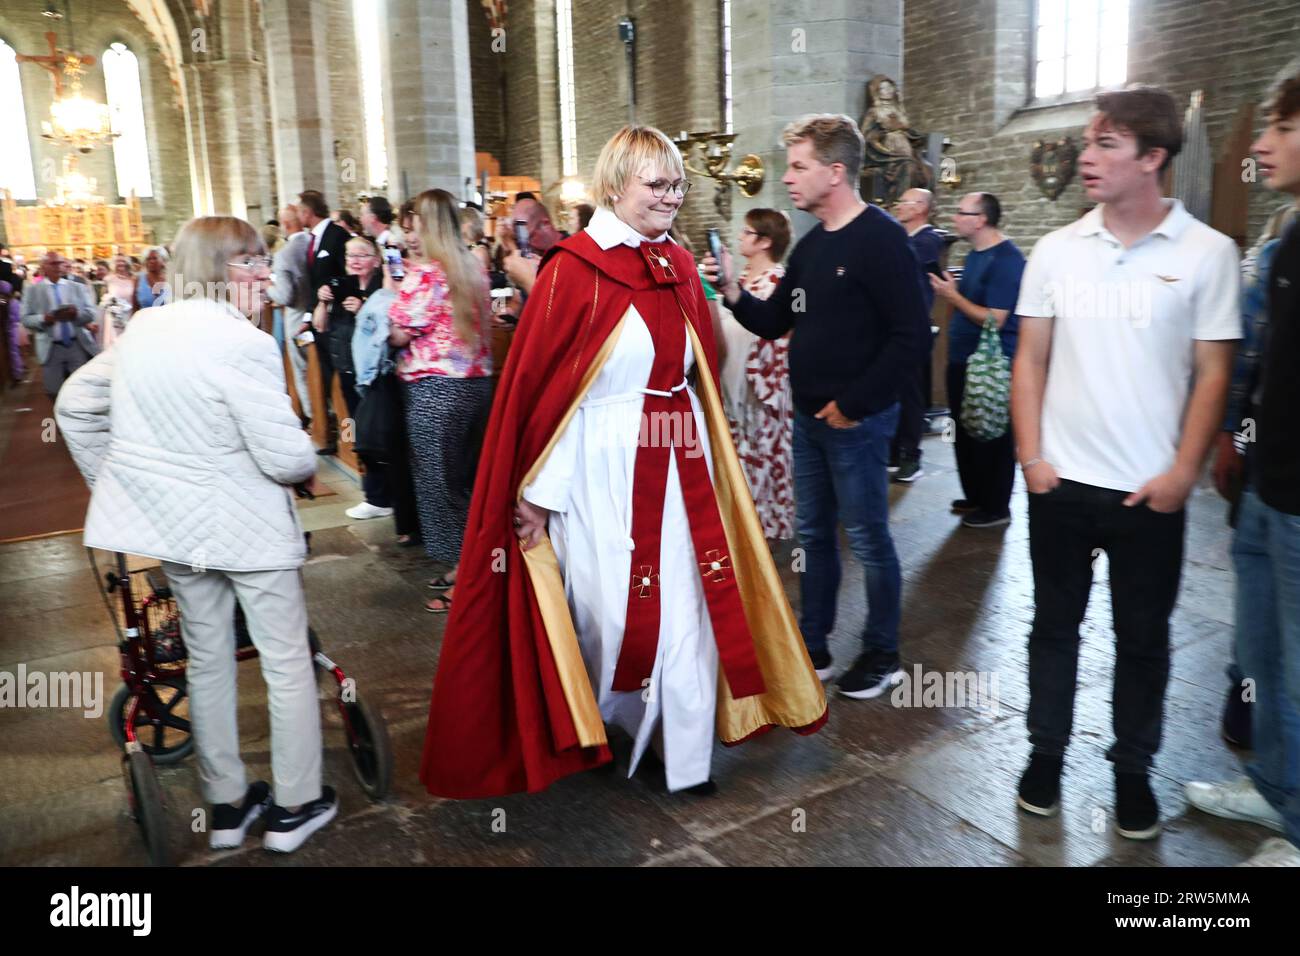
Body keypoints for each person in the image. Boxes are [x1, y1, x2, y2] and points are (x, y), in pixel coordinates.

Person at [419, 126, 826, 799]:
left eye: (676, 184)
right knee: (605, 613)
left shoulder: (677, 265)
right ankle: (606, 720)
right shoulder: (573, 272)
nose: (670, 196)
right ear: (614, 187)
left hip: (679, 462)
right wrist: (540, 493)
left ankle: (685, 754)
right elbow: (550, 398)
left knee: (685, 610)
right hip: (596, 469)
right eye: (655, 183)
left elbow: (702, 370)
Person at [55, 216, 335, 853]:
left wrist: (121, 482)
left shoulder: (146, 328)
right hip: (248, 529)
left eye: (265, 261)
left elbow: (74, 406)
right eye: (251, 263)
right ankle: (295, 807)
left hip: (179, 531)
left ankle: (228, 806)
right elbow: (287, 461)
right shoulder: (241, 342)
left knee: (207, 660)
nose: (267, 276)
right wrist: (303, 454)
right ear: (216, 270)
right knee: (287, 663)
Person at [1010, 86, 1240, 841]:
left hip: (1150, 492)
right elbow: (1031, 358)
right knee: (1054, 627)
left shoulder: (1209, 255)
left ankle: (1133, 769)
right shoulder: (1056, 249)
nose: (1087, 155)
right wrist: (1032, 457)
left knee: (1143, 638)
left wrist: (1183, 473)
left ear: (1153, 159)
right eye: (1089, 140)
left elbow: (1214, 373)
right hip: (1062, 484)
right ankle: (1044, 755)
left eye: (1107, 144)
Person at [708, 114, 926, 699]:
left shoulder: (881, 240)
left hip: (855, 421)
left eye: (798, 166)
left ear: (835, 172)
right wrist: (731, 291)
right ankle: (815, 644)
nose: (788, 179)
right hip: (808, 419)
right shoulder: (811, 246)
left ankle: (883, 652)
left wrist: (854, 403)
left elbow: (911, 336)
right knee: (813, 536)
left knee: (868, 536)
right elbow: (777, 318)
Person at [1184, 64, 1300, 868]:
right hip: (1267, 487)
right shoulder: (1290, 232)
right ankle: (1272, 784)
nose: (1260, 145)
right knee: (1259, 654)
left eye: (1282, 129)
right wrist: (1240, 440)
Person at [387, 189, 495, 613]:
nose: (409, 237)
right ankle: (466, 565)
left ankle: (469, 581)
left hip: (436, 389)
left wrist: (392, 293)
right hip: (475, 387)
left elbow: (398, 332)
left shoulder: (427, 273)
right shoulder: (472, 264)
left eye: (412, 228)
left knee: (440, 485)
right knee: (463, 481)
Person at [930, 192, 1025, 527]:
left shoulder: (1007, 260)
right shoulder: (974, 255)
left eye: (961, 212)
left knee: (993, 434)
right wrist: (955, 291)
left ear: (980, 219)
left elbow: (995, 319)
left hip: (991, 365)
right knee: (966, 430)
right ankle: (976, 495)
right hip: (963, 360)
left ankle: (996, 507)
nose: (955, 218)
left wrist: (952, 296)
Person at [716, 208, 795, 540]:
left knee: (761, 456)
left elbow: (779, 335)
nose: (739, 237)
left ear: (765, 241)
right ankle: (738, 527)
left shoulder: (777, 280)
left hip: (758, 390)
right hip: (729, 384)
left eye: (746, 232)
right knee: (736, 458)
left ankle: (761, 530)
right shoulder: (742, 278)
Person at [315, 235, 390, 520]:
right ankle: (371, 491)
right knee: (356, 429)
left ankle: (381, 496)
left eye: (361, 255)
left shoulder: (382, 287)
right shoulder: (338, 285)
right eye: (350, 256)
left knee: (374, 434)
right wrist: (322, 303)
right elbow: (321, 326)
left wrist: (363, 310)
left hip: (374, 373)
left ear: (375, 259)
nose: (355, 261)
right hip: (346, 368)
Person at [889, 187, 943, 483]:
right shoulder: (906, 238)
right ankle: (894, 451)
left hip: (913, 329)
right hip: (895, 328)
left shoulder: (927, 240)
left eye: (904, 202)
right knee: (894, 391)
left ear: (921, 207)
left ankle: (911, 456)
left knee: (910, 395)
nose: (899, 206)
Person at [300, 189, 350, 453]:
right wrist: (309, 316)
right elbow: (313, 284)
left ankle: (351, 440)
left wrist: (330, 291)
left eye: (300, 210)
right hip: (319, 320)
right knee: (327, 381)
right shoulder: (313, 239)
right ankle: (336, 437)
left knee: (343, 382)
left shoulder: (337, 235)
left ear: (308, 212)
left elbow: (347, 275)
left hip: (339, 320)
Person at [21, 251, 100, 397]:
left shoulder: (77, 287)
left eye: (60, 263)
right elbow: (25, 319)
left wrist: (76, 315)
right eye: (53, 263)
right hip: (51, 347)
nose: (58, 266)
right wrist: (44, 319)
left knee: (82, 388)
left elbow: (91, 313)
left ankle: (79, 417)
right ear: (44, 266)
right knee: (54, 391)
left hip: (76, 344)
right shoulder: (33, 290)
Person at [266, 205, 314, 426]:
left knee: (302, 368)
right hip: (318, 320)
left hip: (297, 323)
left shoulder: (285, 254)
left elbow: (285, 297)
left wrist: (267, 286)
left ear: (285, 225)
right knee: (317, 366)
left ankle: (315, 419)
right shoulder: (312, 243)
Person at [502, 195, 564, 296]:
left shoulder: (570, 256)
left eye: (528, 238)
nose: (526, 246)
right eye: (519, 239)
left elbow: (557, 309)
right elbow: (519, 300)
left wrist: (527, 281)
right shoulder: (535, 254)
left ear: (545, 224)